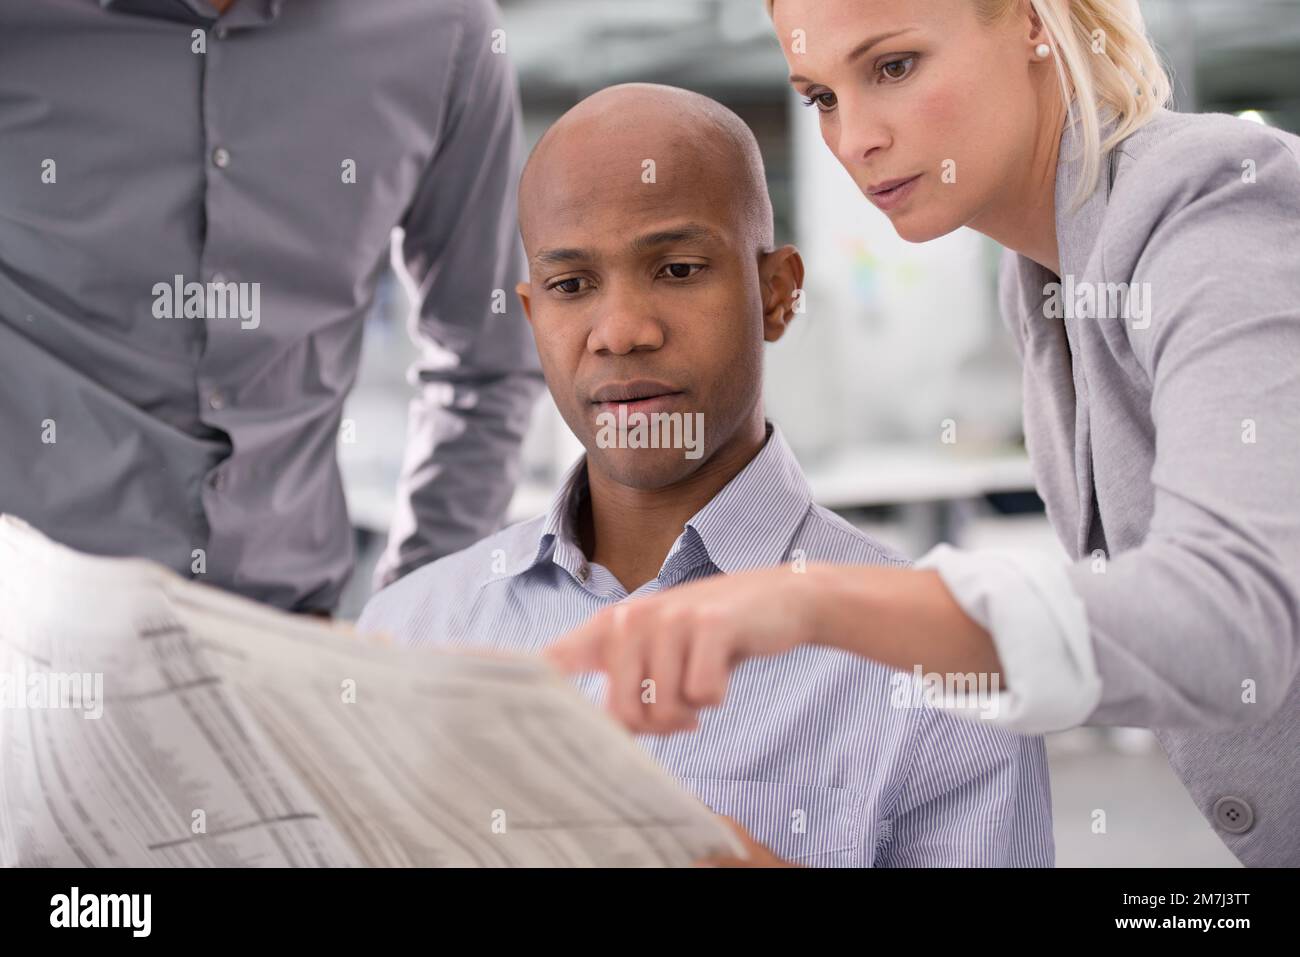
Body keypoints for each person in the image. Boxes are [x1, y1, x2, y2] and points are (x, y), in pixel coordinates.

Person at [544, 0, 1300, 867]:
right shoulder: (1047, 282)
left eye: (893, 67)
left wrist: (811, 603)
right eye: (821, 96)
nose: (855, 137)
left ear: (1028, 21)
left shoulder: (1214, 199)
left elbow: (1229, 620)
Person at [359, 83, 1054, 867]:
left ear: (778, 293)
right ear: (532, 317)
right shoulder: (406, 632)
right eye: (570, 286)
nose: (621, 332)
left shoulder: (938, 669)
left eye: (679, 268)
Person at [0, 0, 543, 613]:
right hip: (23, 634)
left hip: (291, 634)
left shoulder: (442, 28)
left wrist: (417, 616)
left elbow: (488, 363)